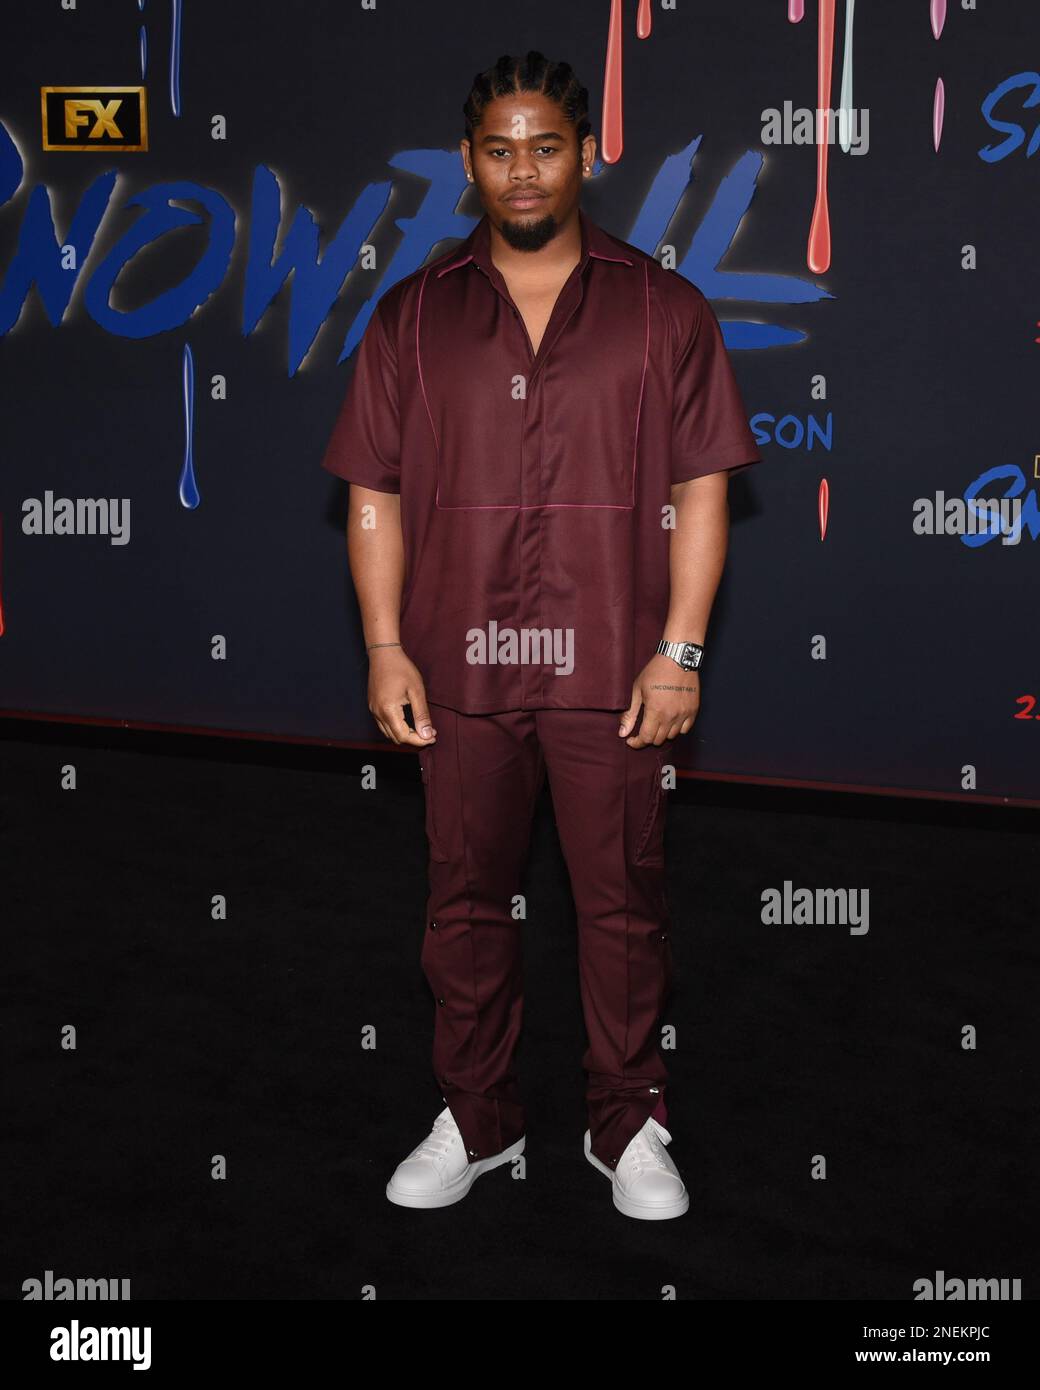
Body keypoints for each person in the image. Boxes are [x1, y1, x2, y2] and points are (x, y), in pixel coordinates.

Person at [321, 51, 762, 1220]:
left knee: (622, 899)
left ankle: (628, 1124)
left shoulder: (665, 307)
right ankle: (477, 1118)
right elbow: (374, 492)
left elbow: (705, 487)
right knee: (462, 898)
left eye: (547, 146)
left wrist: (681, 650)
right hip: (455, 668)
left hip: (612, 668)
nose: (524, 170)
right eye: (500, 149)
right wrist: (381, 643)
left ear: (585, 155)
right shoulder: (411, 315)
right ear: (469, 163)